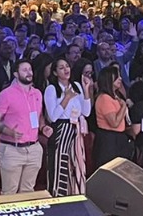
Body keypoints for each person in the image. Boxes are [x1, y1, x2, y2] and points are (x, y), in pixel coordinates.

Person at [0, 59, 45, 195]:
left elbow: (39, 115)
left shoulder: (37, 93)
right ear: (15, 74)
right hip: (12, 149)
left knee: (28, 191)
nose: (29, 73)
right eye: (24, 70)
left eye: (30, 69)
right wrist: (7, 131)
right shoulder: (6, 94)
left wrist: (43, 127)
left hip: (34, 148)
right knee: (10, 192)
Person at [43, 56, 92, 196]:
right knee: (60, 165)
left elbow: (86, 112)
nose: (66, 69)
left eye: (67, 66)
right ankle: (56, 197)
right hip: (61, 130)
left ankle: (76, 196)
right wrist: (67, 97)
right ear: (55, 72)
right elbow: (53, 116)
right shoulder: (52, 89)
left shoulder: (76, 86)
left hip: (76, 129)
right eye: (61, 67)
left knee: (76, 165)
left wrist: (86, 90)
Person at [93, 64, 134, 168]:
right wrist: (123, 106)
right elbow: (114, 123)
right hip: (109, 140)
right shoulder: (104, 98)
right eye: (116, 77)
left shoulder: (116, 96)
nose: (120, 79)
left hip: (119, 138)